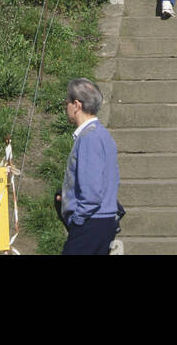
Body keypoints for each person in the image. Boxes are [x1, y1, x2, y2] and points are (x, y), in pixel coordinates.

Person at [59, 77, 121, 253]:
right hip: (104, 220)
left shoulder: (89, 138)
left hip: (91, 222)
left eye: (67, 103)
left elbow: (91, 193)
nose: (66, 107)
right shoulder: (103, 135)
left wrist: (77, 220)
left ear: (77, 105)